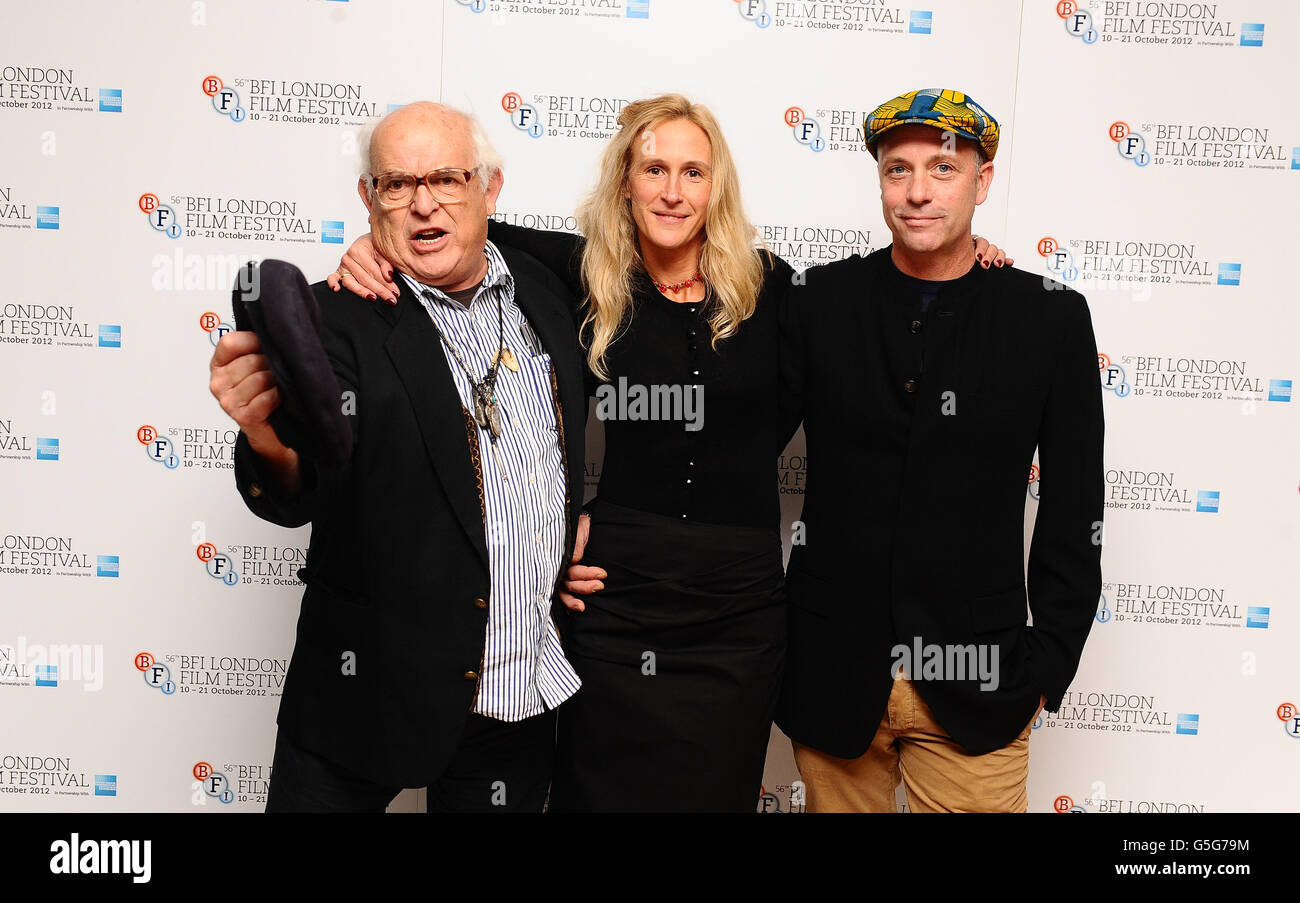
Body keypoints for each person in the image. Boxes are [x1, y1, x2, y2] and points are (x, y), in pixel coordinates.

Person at [331, 94, 1010, 812]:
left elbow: (885, 297)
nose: (672, 190)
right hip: (617, 600)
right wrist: (370, 245)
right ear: (625, 179)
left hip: (738, 614)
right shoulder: (580, 272)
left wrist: (973, 257)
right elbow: (451, 227)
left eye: (693, 171)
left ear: (715, 186)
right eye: (653, 168)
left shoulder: (774, 287)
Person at [208, 101, 589, 812]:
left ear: (492, 188)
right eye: (396, 185)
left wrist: (595, 515)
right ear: (368, 199)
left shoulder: (551, 285)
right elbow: (302, 480)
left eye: (446, 178)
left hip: (513, 692)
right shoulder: (338, 316)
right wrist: (263, 430)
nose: (423, 204)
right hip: (361, 700)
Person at [775, 88, 1104, 812]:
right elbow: (739, 434)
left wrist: (1050, 661)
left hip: (981, 681)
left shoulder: (1048, 316)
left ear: (982, 182)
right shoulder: (816, 300)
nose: (918, 191)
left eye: (943, 169)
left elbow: (1075, 503)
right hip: (833, 673)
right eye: (898, 170)